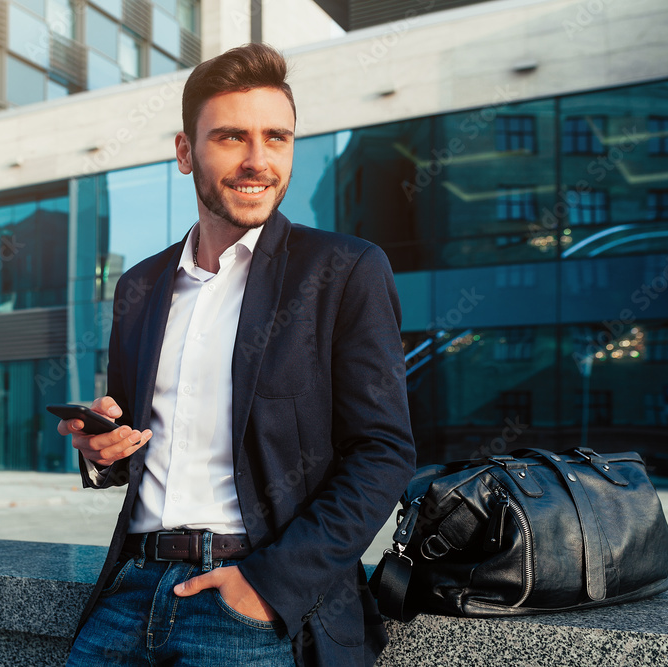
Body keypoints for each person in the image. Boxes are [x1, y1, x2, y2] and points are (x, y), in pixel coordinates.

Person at [57, 43, 415, 667]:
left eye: (276, 137)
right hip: (129, 593)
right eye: (230, 137)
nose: (258, 161)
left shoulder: (343, 270)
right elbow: (136, 445)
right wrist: (101, 453)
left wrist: (267, 588)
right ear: (184, 152)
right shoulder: (138, 287)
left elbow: (383, 452)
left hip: (250, 603)